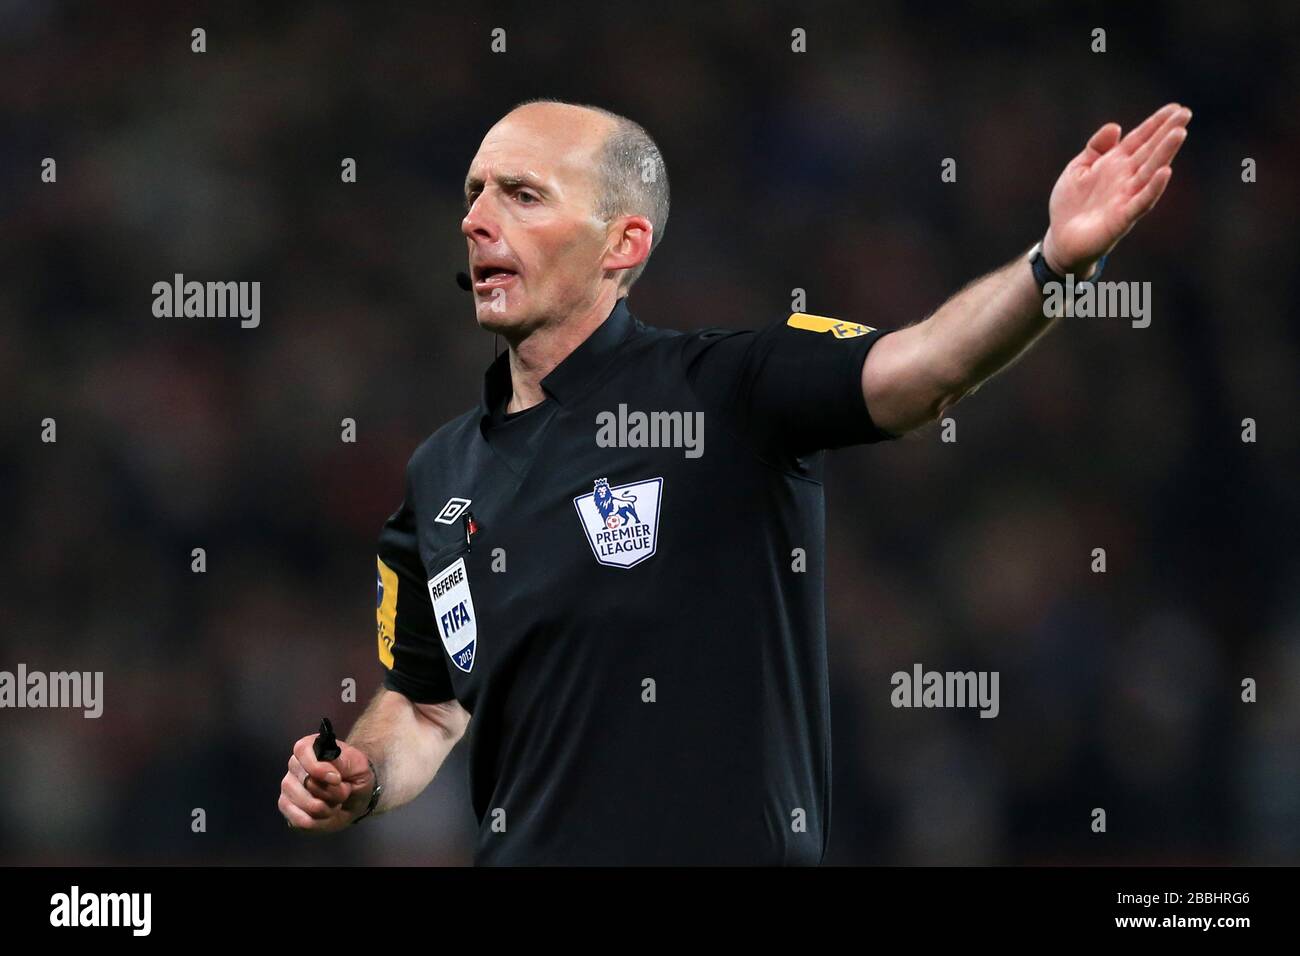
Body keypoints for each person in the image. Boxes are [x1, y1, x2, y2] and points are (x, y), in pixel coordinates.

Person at [278, 98, 1191, 864]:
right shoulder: (440, 474)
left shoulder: (730, 388)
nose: (477, 218)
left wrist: (1054, 265)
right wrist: (358, 774)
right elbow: (428, 706)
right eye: (475, 192)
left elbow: (926, 368)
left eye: (522, 195)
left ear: (621, 244)